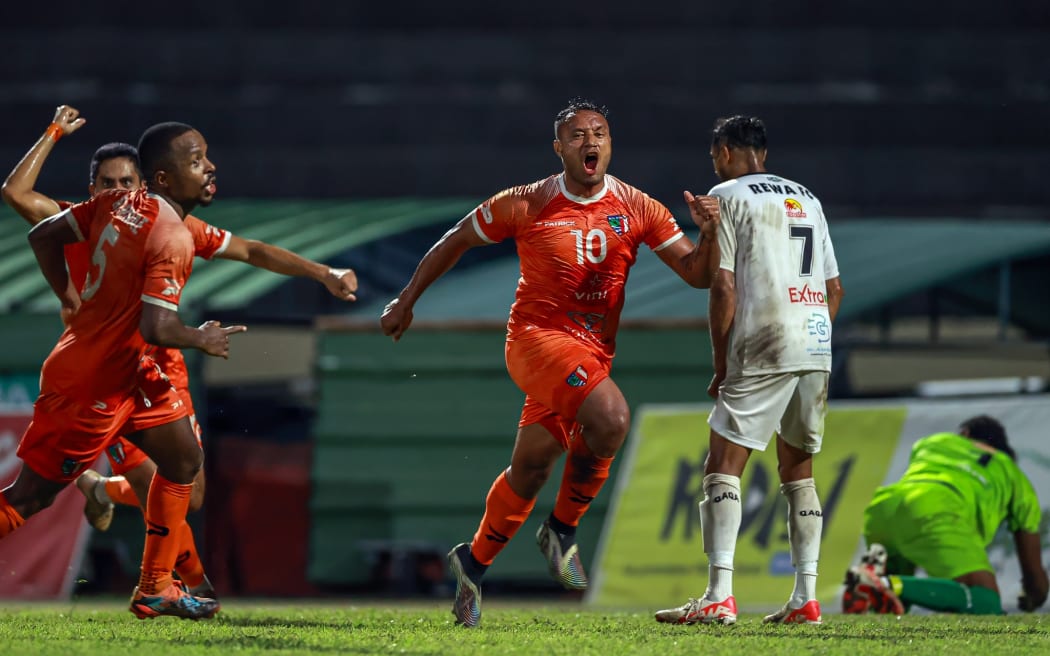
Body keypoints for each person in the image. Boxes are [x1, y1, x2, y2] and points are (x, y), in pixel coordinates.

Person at [380, 98, 721, 627]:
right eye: (578, 134)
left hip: (591, 351)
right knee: (611, 418)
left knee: (533, 466)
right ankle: (561, 530)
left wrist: (711, 233)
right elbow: (456, 240)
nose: (590, 141)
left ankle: (473, 563)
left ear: (610, 144)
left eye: (599, 133)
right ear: (559, 148)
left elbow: (698, 275)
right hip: (535, 341)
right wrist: (406, 300)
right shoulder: (525, 202)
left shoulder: (639, 207)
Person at [1, 105, 360, 600]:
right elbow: (158, 322)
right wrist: (200, 337)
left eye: (125, 180)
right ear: (162, 178)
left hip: (142, 369)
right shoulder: (147, 228)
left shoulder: (132, 212)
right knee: (34, 497)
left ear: (143, 183)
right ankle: (181, 582)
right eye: (197, 160)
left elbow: (250, 250)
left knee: (185, 472)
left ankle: (157, 581)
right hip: (97, 375)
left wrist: (322, 272)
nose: (210, 167)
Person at [655, 115, 844, 626]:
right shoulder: (808, 198)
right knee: (798, 470)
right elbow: (835, 289)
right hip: (816, 341)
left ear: (723, 151)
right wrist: (812, 338)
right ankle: (806, 598)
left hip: (765, 338)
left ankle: (719, 594)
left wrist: (722, 362)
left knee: (722, 465)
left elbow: (722, 285)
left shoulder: (727, 196)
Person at [842, 415, 1049, 616]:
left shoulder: (933, 442)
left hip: (882, 509)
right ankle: (883, 582)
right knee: (985, 600)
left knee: (895, 603)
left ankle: (871, 587)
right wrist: (1035, 595)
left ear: (964, 433)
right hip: (938, 511)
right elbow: (1035, 577)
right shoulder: (1013, 474)